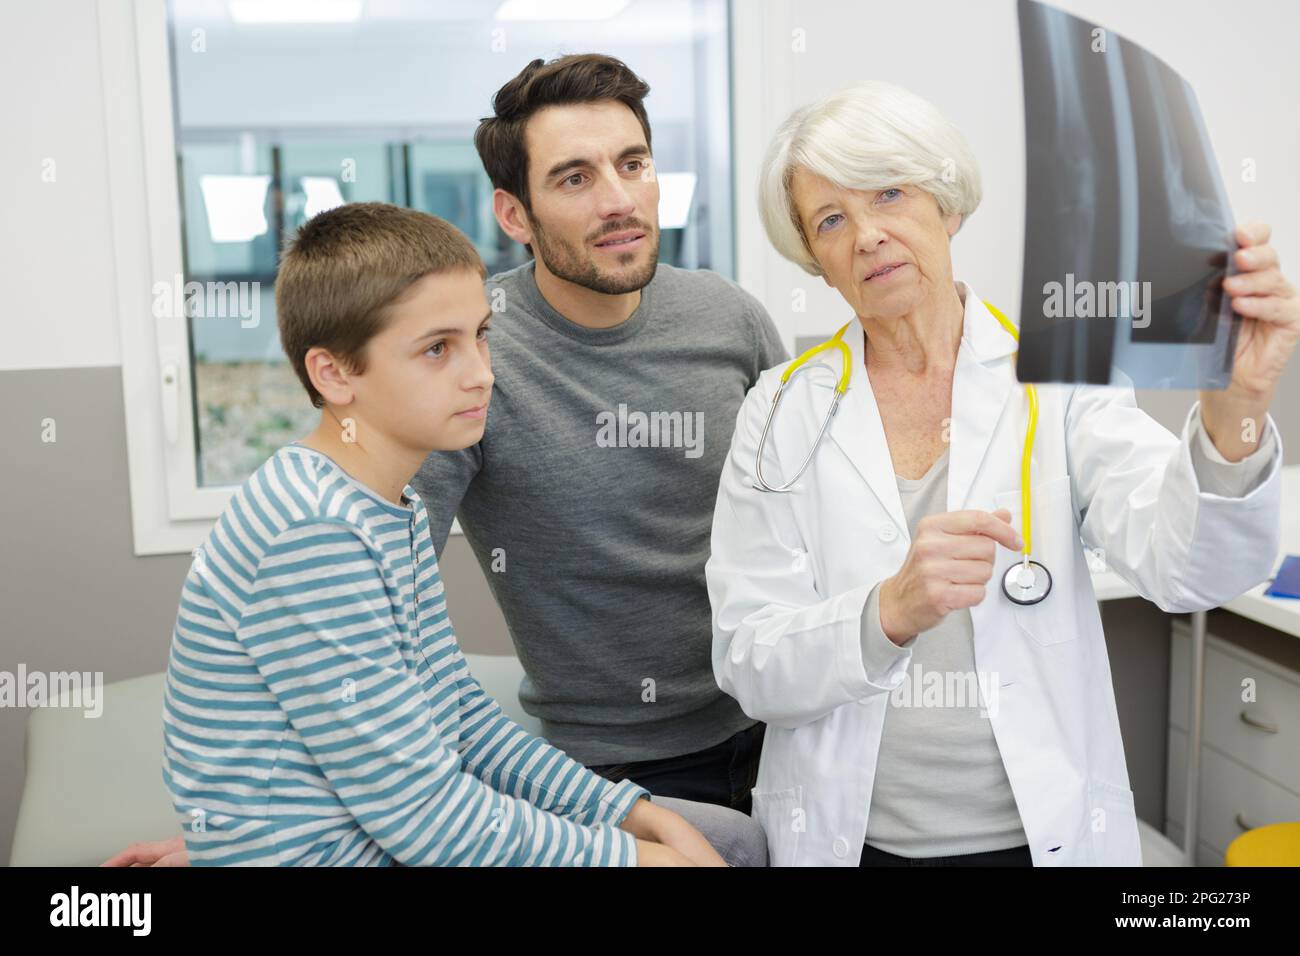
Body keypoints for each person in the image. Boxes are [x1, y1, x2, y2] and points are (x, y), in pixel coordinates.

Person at [707, 80, 1299, 866]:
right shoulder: (779, 410)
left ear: (946, 204)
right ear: (815, 260)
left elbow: (1191, 570)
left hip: (1039, 837)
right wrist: (888, 610)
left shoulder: (1059, 379)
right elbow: (749, 658)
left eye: (890, 193)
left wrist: (1238, 408)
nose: (868, 236)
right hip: (851, 838)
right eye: (830, 220)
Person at [147, 202, 748, 866]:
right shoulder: (312, 531)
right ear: (333, 374)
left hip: (390, 844)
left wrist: (632, 814)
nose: (481, 372)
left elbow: (460, 715)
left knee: (732, 841)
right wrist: (633, 859)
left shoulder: (388, 505)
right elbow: (426, 821)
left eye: (482, 335)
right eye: (438, 349)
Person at [411, 54, 787, 815]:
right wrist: (270, 827)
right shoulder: (474, 356)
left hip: (788, 726)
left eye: (633, 164)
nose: (619, 201)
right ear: (515, 215)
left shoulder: (728, 317)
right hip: (613, 778)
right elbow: (369, 598)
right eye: (574, 178)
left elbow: (811, 512)